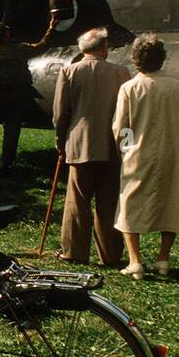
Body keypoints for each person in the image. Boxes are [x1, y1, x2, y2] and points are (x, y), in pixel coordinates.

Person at [112, 34, 179, 280]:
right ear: (162, 58)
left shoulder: (129, 88)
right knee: (171, 203)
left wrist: (125, 149)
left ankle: (135, 261)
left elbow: (121, 126)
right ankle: (163, 259)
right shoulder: (177, 87)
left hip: (137, 154)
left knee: (129, 205)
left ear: (135, 59)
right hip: (171, 154)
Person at [53, 28, 132, 264]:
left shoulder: (69, 72)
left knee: (78, 201)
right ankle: (110, 254)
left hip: (79, 144)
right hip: (112, 146)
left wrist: (61, 142)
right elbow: (128, 115)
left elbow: (61, 114)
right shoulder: (121, 73)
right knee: (109, 202)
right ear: (104, 47)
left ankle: (74, 252)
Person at [0, 16, 58, 171]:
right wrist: (51, 27)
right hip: (16, 96)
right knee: (11, 130)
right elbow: (42, 46)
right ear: (6, 35)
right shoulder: (19, 49)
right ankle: (7, 163)